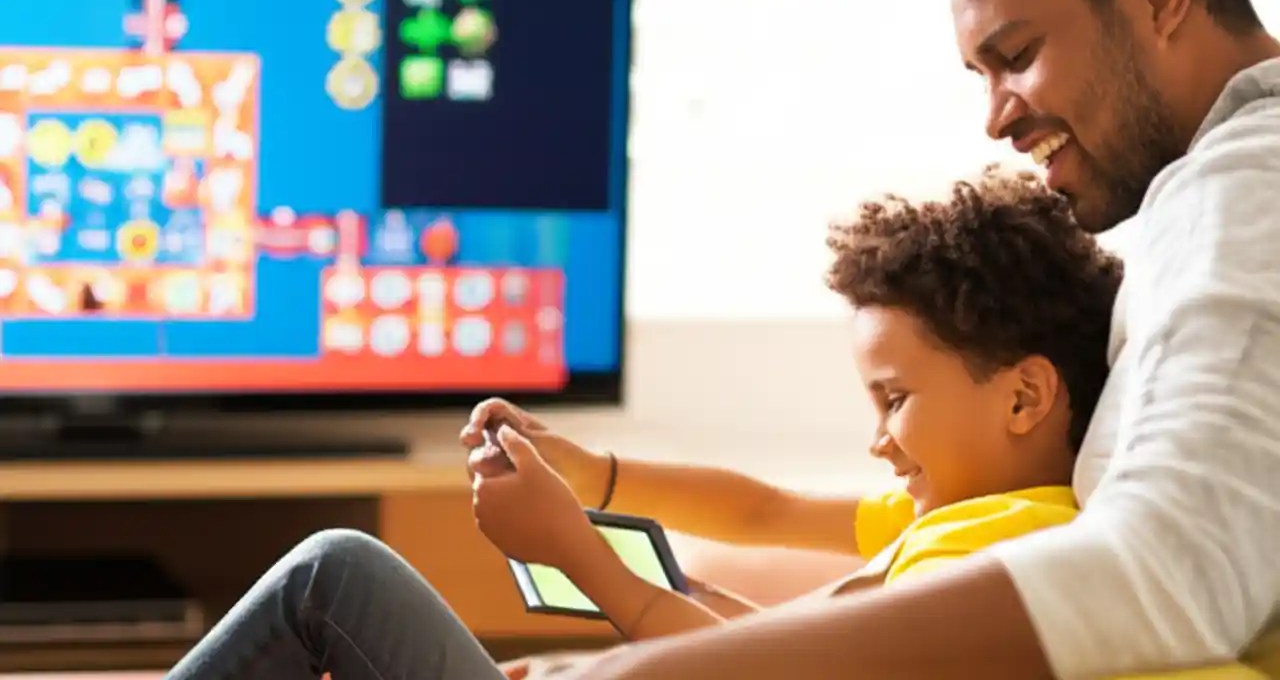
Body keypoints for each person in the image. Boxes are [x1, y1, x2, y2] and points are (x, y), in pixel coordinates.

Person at [565, 0, 1280, 677]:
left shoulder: (1245, 198)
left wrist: (644, 673)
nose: (997, 118)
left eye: (1019, 56)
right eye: (982, 76)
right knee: (714, 564)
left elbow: (1169, 572)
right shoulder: (1202, 200)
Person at [166, 167, 1126, 679]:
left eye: (895, 400)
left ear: (1022, 396)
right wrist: (593, 477)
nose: (879, 439)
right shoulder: (952, 521)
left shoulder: (1010, 559)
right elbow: (767, 518)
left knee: (336, 574)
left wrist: (579, 553)